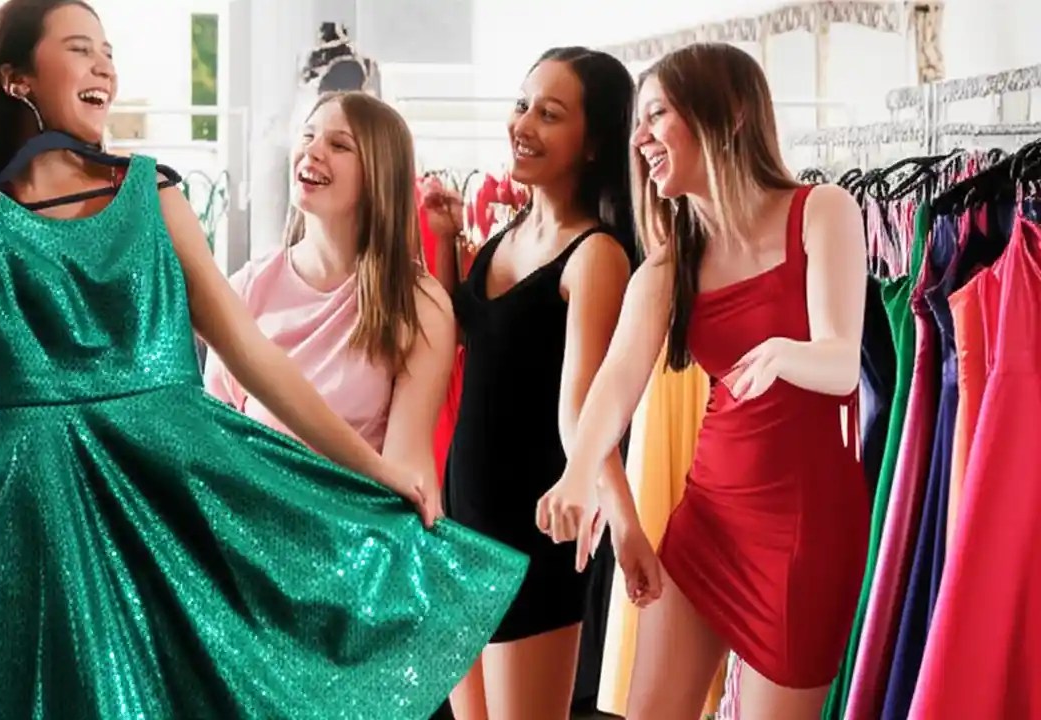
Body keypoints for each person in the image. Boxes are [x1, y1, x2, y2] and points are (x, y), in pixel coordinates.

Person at [0, 2, 527, 718]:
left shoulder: (154, 195)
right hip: (30, 511)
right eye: (79, 49)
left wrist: (376, 468)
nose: (105, 64)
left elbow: (253, 354)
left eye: (108, 50)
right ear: (15, 78)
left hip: (167, 491)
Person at [538, 42, 870, 719]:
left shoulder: (823, 210)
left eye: (656, 114)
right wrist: (578, 475)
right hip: (709, 523)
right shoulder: (667, 269)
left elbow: (840, 365)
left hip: (805, 539)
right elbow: (614, 387)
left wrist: (782, 351)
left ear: (727, 113)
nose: (639, 138)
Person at [203, 90, 461, 720]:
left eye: (338, 144)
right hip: (254, 574)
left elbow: (406, 472)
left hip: (357, 577)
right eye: (309, 135)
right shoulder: (244, 290)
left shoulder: (419, 304)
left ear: (379, 174)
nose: (311, 151)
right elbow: (217, 448)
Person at [427, 46, 639, 720]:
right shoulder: (504, 236)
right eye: (522, 105)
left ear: (593, 143)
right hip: (465, 523)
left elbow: (584, 410)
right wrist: (443, 237)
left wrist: (623, 520)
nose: (523, 124)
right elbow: (457, 343)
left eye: (549, 114)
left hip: (533, 536)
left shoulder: (597, 255)